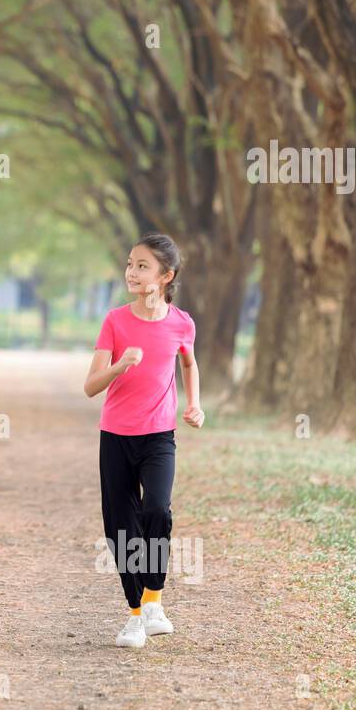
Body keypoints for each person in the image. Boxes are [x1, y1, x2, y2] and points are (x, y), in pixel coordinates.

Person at [83, 232, 204, 648]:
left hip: (158, 437)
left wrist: (195, 404)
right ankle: (135, 615)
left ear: (166, 276)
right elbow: (90, 386)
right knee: (121, 527)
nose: (131, 272)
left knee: (157, 509)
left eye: (142, 266)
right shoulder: (115, 321)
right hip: (115, 437)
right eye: (130, 264)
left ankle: (153, 600)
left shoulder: (181, 323)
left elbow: (189, 363)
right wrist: (120, 365)